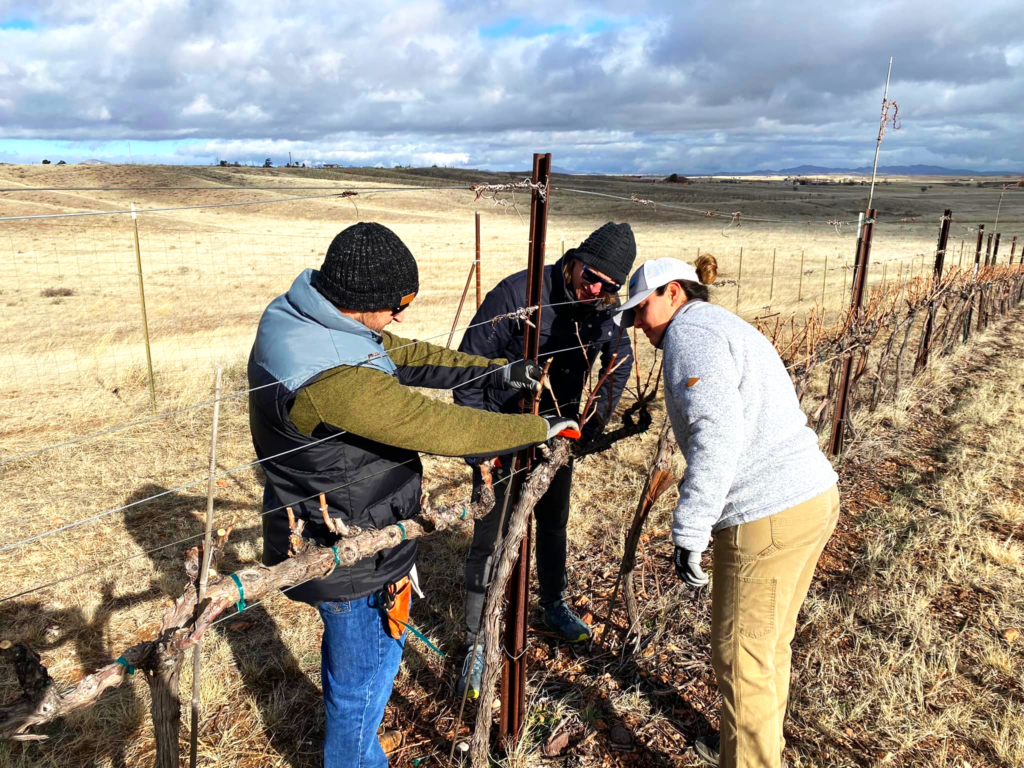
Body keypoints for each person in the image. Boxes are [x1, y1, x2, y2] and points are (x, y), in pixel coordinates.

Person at [247, 222, 579, 768]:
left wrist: (498, 371)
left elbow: (403, 353)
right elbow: (432, 426)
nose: (401, 316)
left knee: (355, 673)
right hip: (351, 545)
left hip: (335, 515)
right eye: (397, 305)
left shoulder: (305, 319)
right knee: (364, 681)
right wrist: (538, 428)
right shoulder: (333, 375)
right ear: (362, 302)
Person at [615, 256, 840, 768]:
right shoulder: (722, 325)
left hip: (766, 513)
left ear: (673, 293)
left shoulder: (689, 337)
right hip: (809, 497)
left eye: (640, 308)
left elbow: (717, 434)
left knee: (742, 661)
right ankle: (756, 747)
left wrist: (691, 528)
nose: (634, 323)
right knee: (767, 649)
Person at [452, 221, 636, 699]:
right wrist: (481, 449)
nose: (596, 289)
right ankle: (475, 644)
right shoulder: (518, 296)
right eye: (592, 276)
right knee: (489, 541)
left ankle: (552, 603)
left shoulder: (602, 308)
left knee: (554, 524)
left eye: (609, 286)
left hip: (558, 438)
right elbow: (465, 370)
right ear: (574, 259)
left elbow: (621, 359)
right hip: (500, 434)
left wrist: (589, 425)